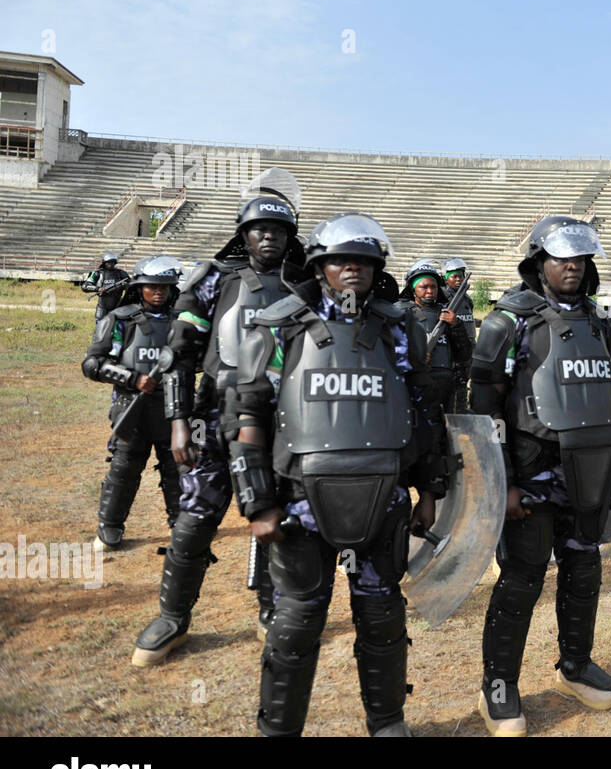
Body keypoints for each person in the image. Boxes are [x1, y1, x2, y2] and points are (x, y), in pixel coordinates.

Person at [227, 213, 447, 737]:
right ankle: (278, 729)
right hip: (301, 501)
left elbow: (422, 413)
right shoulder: (281, 325)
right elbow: (247, 414)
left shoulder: (398, 328)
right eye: (341, 260)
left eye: (364, 261)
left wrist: (430, 490)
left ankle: (388, 721)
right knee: (297, 621)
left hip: (384, 496)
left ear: (377, 269)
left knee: (382, 616)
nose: (353, 269)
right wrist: (257, 502)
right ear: (320, 266)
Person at [471, 216, 611, 735]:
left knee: (584, 571)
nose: (573, 266)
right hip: (530, 472)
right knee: (522, 581)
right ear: (538, 262)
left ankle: (575, 665)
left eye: (581, 259)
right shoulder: (507, 320)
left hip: (588, 470)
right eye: (562, 257)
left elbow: (610, 399)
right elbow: (485, 407)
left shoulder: (598, 321)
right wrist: (502, 484)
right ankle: (498, 687)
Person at [132, 168, 302, 667]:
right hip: (213, 418)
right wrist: (179, 420)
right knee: (195, 519)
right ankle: (173, 617)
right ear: (242, 233)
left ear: (290, 235)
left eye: (277, 229)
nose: (267, 237)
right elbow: (179, 356)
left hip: (284, 422)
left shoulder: (309, 284)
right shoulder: (213, 282)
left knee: (279, 517)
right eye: (257, 229)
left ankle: (272, 609)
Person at [82, 256, 184, 548]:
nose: (159, 291)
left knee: (178, 467)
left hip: (173, 407)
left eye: (165, 286)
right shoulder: (119, 319)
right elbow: (92, 364)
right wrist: (132, 378)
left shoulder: (183, 321)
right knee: (125, 467)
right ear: (139, 287)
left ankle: (182, 525)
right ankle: (110, 526)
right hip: (131, 407)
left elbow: (202, 360)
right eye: (152, 286)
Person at [397, 258, 472, 416]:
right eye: (423, 287)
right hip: (412, 382)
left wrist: (456, 325)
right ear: (412, 289)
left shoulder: (448, 313)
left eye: (433, 287)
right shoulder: (399, 312)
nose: (430, 291)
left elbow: (464, 353)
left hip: (444, 384)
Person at [442, 258, 476, 413]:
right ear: (445, 277)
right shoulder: (443, 297)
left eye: (460, 276)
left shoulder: (466, 298)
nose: (458, 279)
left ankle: (461, 416)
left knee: (463, 388)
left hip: (468, 348)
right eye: (454, 276)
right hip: (453, 351)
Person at [81, 252, 130, 321]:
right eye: (108, 262)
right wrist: (98, 289)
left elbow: (132, 285)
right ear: (104, 263)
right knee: (100, 326)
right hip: (102, 306)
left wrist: (124, 286)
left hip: (118, 305)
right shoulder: (97, 273)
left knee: (119, 327)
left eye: (112, 262)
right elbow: (85, 286)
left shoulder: (121, 273)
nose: (111, 264)